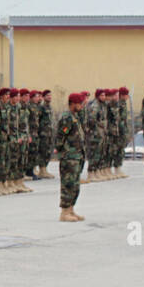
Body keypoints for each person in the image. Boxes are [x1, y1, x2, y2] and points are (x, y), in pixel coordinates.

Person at [56, 93, 87, 221]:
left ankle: (71, 210)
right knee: (68, 185)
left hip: (77, 156)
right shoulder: (66, 117)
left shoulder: (75, 116)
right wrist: (63, 152)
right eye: (79, 103)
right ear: (72, 104)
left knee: (75, 185)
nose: (81, 106)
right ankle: (64, 213)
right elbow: (60, 137)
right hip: (69, 157)